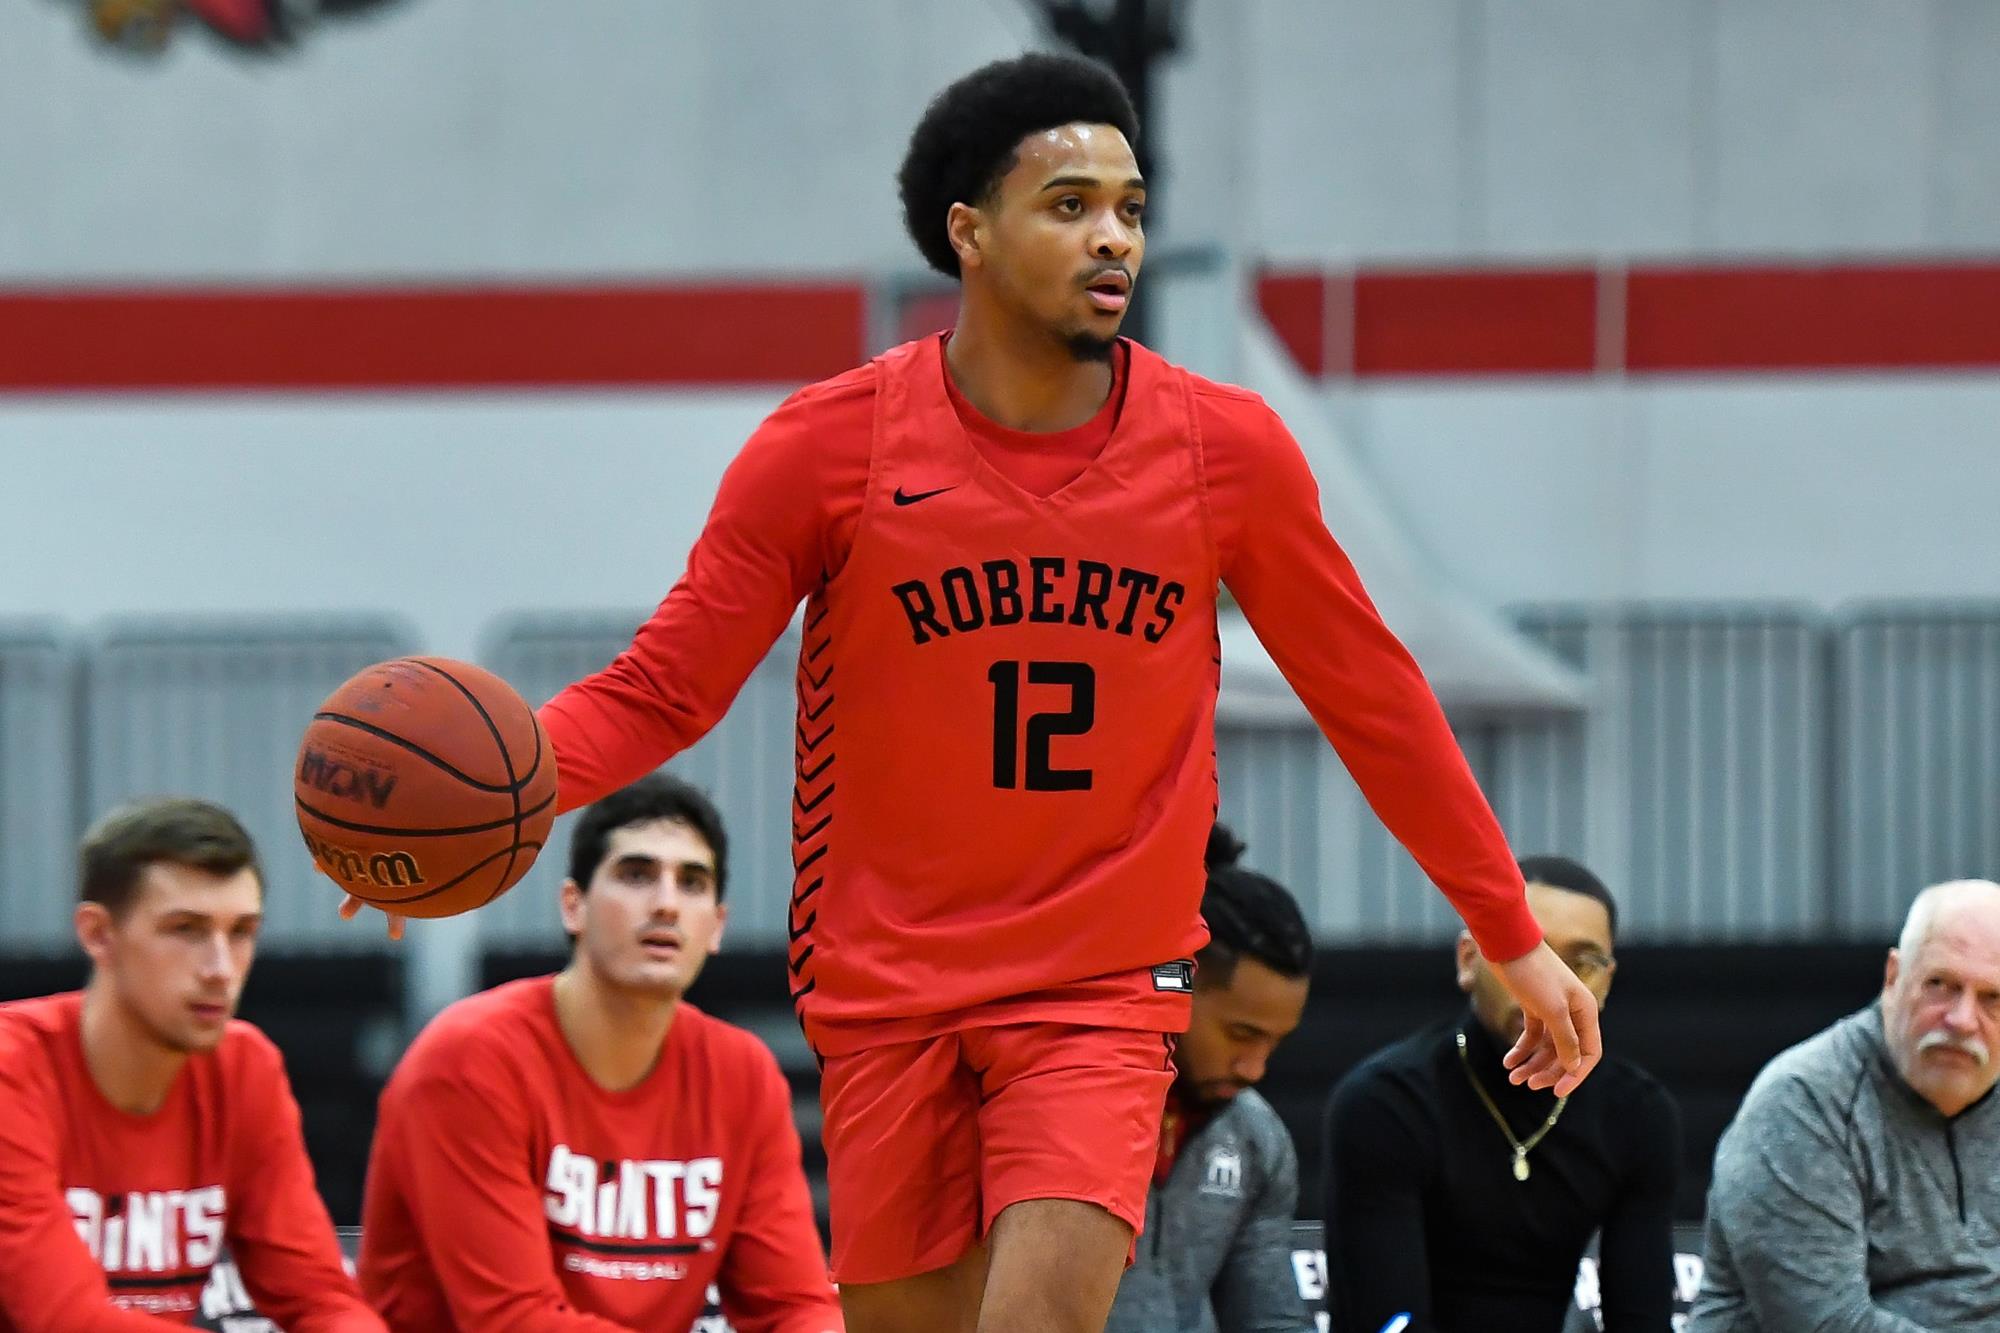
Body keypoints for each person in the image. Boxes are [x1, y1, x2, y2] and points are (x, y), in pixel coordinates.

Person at [346, 51, 1600, 1333]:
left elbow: (1372, 697)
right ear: (970, 234)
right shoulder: (828, 448)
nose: (1112, 236)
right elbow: (665, 686)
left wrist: (1504, 924)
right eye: (1067, 204)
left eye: (1127, 206)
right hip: (888, 987)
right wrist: (489, 806)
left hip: (1099, 987)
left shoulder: (1222, 453)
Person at [358, 775, 841, 1333]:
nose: (665, 904)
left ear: (716, 927)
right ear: (573, 906)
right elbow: (515, 1323)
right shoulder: (468, 1062)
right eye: (636, 875)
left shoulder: (743, 1075)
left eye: (691, 882)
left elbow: (792, 1306)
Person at [0, 798, 382, 1332]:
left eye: (242, 931)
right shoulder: (11, 1070)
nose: (221, 969)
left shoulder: (245, 1068)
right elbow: (65, 1319)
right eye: (186, 929)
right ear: (97, 934)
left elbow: (320, 1296)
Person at [1323, 856, 1679, 1333]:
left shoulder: (1637, 1115)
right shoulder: (1388, 1103)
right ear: (1469, 960)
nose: (1558, 984)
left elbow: (1640, 1321)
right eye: (1534, 955)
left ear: (1608, 982)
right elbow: (1390, 1322)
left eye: (1584, 962)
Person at [1689, 878, 2000, 1331]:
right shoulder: (1804, 1102)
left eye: (1994, 998)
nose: (1962, 1019)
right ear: (1894, 976)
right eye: (1941, 985)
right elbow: (1828, 1325)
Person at [1105, 825, 1315, 1333]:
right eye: (1241, 1034)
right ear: (1176, 985)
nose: (1255, 1069)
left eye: (1275, 1043)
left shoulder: (1257, 1139)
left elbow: (1270, 1319)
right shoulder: (1048, 1114)